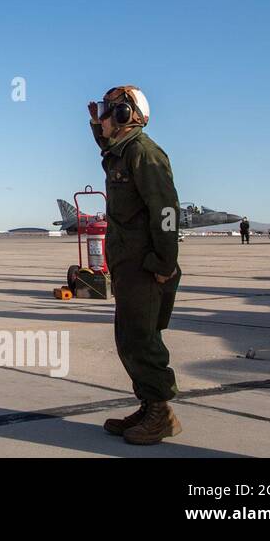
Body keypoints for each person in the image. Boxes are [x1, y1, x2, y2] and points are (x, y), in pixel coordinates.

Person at [89, 86, 183, 445]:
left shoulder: (145, 154)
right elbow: (107, 149)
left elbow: (167, 211)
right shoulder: (122, 153)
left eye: (110, 112)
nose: (104, 118)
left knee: (142, 341)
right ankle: (149, 405)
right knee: (129, 339)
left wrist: (164, 261)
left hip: (147, 266)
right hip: (129, 265)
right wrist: (96, 127)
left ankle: (160, 413)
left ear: (128, 117)